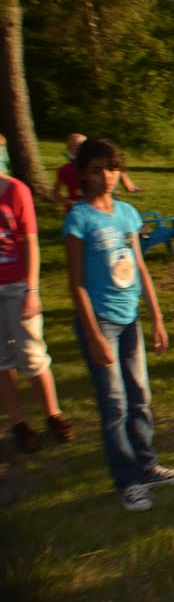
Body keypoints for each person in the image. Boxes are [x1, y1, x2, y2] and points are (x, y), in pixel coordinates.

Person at [62, 138, 174, 510]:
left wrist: (157, 318)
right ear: (84, 172)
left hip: (130, 318)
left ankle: (148, 466)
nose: (107, 177)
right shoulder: (79, 219)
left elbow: (140, 267)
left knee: (140, 397)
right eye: (98, 170)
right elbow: (76, 284)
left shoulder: (127, 213)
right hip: (100, 322)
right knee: (114, 404)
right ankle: (127, 480)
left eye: (113, 169)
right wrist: (93, 335)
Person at [1, 168, 72, 453]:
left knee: (32, 355)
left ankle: (53, 415)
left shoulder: (16, 190)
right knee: (2, 361)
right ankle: (18, 424)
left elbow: (30, 241)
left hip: (18, 286)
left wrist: (32, 290)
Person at [53, 133, 140, 207]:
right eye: (78, 146)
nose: (84, 149)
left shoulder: (102, 166)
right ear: (70, 150)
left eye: (85, 145)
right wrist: (69, 202)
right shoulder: (65, 169)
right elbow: (56, 193)